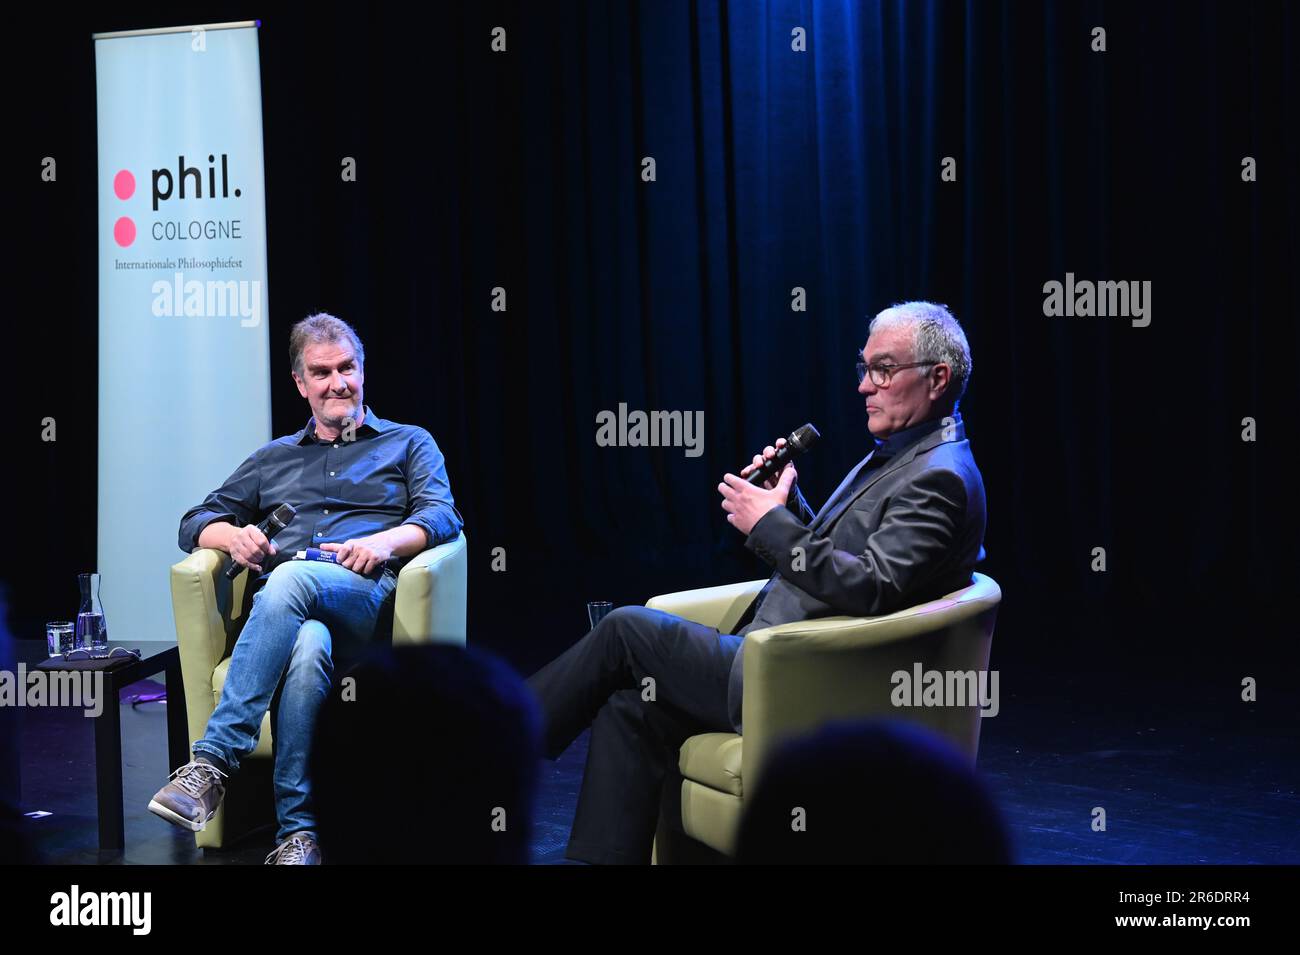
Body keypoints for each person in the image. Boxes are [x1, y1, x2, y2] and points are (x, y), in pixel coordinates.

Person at [527, 300, 986, 864]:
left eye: (883, 370)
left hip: (806, 678)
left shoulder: (939, 476)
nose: (866, 386)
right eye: (864, 369)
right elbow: (853, 556)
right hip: (777, 657)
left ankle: (498, 738)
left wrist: (769, 524)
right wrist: (787, 506)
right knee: (632, 703)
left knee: (626, 630)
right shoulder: (906, 455)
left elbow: (873, 588)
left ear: (937, 378)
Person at [149, 313, 463, 864]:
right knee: (308, 645)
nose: (338, 382)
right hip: (287, 615)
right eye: (322, 372)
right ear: (301, 384)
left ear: (363, 371)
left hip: (362, 595)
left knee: (292, 577)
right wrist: (234, 535)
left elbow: (442, 517)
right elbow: (193, 521)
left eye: (348, 368)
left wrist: (386, 544)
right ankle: (299, 835)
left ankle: (214, 760)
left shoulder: (409, 443)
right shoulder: (272, 459)